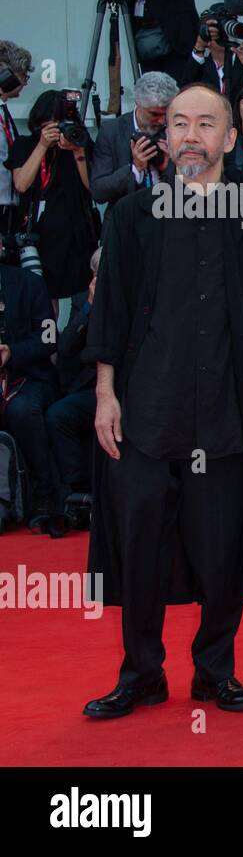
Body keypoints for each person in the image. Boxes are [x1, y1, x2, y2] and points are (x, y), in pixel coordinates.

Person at [82, 83, 243, 719]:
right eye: (179, 124)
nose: (191, 135)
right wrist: (104, 394)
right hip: (147, 410)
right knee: (140, 541)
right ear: (163, 136)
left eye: (206, 124)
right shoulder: (130, 218)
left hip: (226, 409)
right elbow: (111, 311)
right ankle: (142, 672)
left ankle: (215, 672)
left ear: (230, 139)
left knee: (220, 544)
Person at [5, 90, 100, 300]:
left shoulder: (80, 142)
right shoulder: (25, 145)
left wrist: (78, 151)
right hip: (39, 236)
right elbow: (21, 184)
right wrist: (42, 145)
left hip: (76, 235)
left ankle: (74, 333)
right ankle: (49, 333)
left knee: (84, 294)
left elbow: (92, 188)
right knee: (43, 299)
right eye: (53, 124)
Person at [0, 256, 60, 533]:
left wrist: (12, 352)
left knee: (21, 410)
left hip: (30, 378)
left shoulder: (30, 284)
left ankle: (45, 499)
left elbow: (49, 340)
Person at [45, 248, 101, 537]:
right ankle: (78, 492)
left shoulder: (136, 300)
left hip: (130, 389)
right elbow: (65, 347)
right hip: (89, 389)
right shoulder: (82, 302)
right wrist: (91, 306)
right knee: (58, 414)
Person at [90, 70, 177, 206]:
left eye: (167, 114)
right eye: (154, 114)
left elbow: (196, 187)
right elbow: (98, 191)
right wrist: (135, 169)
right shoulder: (112, 131)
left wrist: (167, 167)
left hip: (168, 219)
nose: (162, 121)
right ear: (138, 103)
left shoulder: (176, 130)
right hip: (126, 221)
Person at [182, 18, 243, 103]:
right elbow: (184, 93)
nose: (225, 37)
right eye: (218, 33)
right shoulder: (198, 68)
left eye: (227, 32)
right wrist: (199, 46)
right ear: (207, 39)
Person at [0, 41, 33, 245]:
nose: (25, 83)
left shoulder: (4, 111)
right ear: (5, 76)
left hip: (9, 209)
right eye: (23, 77)